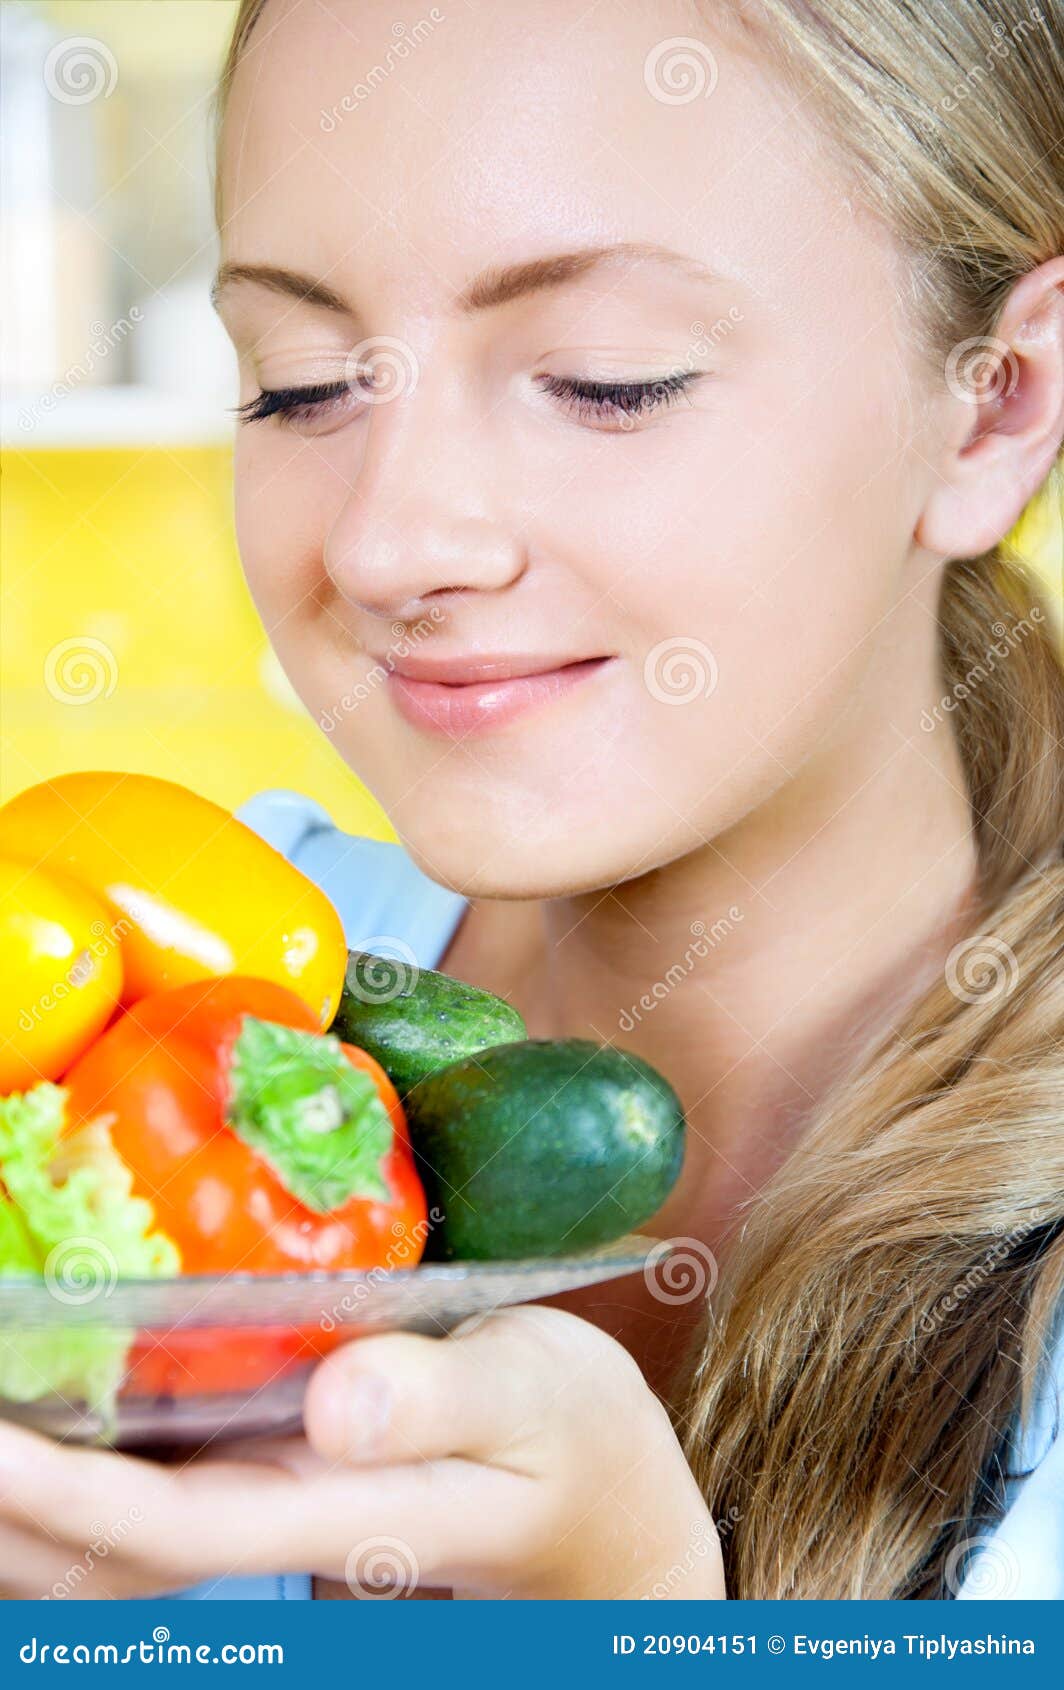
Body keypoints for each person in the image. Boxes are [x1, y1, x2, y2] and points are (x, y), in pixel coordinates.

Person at [1, 0, 1062, 1601]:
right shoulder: (144, 979)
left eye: (603, 380)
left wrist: (614, 1624)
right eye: (298, 385)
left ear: (996, 403)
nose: (383, 543)